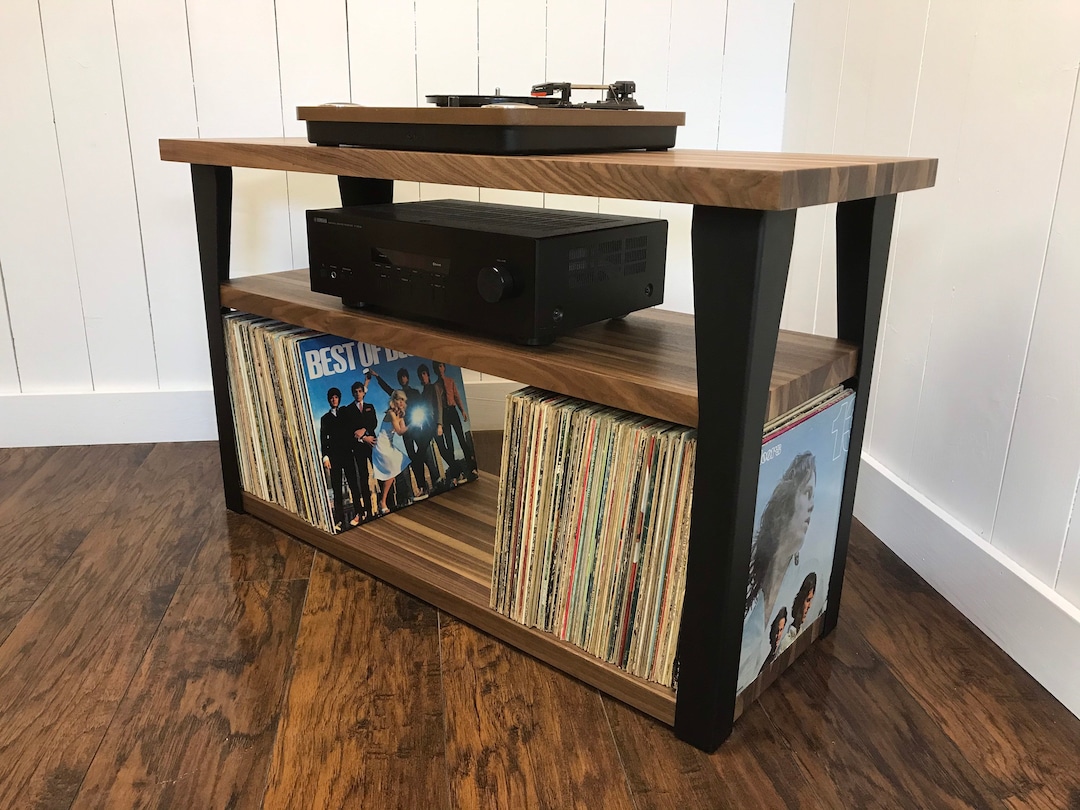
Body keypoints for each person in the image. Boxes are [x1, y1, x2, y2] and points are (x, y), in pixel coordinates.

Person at [737, 451, 817, 692]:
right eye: (807, 492)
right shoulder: (747, 570)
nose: (813, 504)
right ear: (788, 496)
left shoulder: (799, 584)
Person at [371, 366, 436, 497]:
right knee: (413, 457)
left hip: (418, 428)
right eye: (400, 377)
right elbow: (387, 389)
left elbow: (424, 405)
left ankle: (436, 480)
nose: (402, 379)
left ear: (407, 377)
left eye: (404, 376)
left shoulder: (415, 392)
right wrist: (377, 377)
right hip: (406, 431)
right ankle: (421, 486)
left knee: (426, 454)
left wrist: (428, 422)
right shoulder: (397, 394)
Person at [319, 386, 361, 532]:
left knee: (353, 485)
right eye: (331, 397)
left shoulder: (345, 412)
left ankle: (359, 513)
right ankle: (340, 520)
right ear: (329, 400)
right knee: (337, 490)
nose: (334, 399)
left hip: (348, 454)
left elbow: (357, 401)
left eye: (336, 396)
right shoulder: (325, 419)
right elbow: (324, 439)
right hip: (335, 457)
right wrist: (325, 457)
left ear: (339, 398)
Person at [433, 360, 477, 483]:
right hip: (444, 414)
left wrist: (462, 410)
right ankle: (455, 474)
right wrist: (440, 423)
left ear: (444, 367)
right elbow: (438, 405)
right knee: (449, 443)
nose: (439, 368)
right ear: (435, 370)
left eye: (441, 366)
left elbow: (457, 396)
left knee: (462, 439)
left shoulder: (450, 381)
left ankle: (472, 467)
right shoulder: (436, 386)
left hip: (453, 411)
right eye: (437, 367)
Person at [341, 379, 378, 524]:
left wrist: (366, 432)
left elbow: (373, 423)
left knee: (380, 473)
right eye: (355, 392)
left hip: (372, 444)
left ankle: (386, 504)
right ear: (352, 393)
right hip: (358, 447)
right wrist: (362, 437)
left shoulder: (370, 407)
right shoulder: (349, 410)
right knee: (364, 478)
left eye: (360, 391)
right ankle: (368, 511)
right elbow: (350, 429)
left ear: (363, 392)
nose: (358, 393)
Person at [371, 389, 413, 515]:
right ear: (394, 401)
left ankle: (405, 497)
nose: (401, 402)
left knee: (402, 464)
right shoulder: (391, 413)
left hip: (388, 445)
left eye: (403, 400)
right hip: (382, 446)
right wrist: (413, 424)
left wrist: (409, 424)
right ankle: (383, 502)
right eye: (398, 399)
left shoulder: (400, 415)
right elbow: (400, 431)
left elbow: (401, 430)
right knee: (392, 472)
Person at [416, 364, 446, 493]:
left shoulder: (434, 387)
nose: (422, 377)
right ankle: (434, 479)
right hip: (427, 427)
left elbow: (439, 406)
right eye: (420, 375)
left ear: (428, 375)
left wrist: (439, 424)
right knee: (420, 453)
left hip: (435, 425)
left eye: (424, 373)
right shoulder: (422, 393)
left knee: (443, 451)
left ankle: (457, 470)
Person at [779, 572, 817, 654]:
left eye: (811, 600)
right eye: (808, 600)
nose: (809, 606)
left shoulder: (802, 631)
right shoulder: (786, 641)